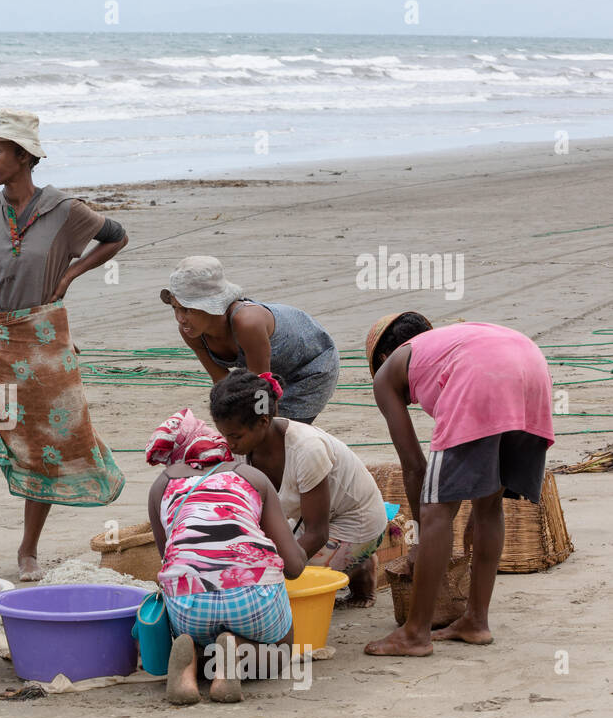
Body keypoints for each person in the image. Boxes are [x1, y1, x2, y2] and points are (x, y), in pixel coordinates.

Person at [0, 108, 129, 581]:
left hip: (45, 345)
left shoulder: (65, 211)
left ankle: (28, 551)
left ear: (24, 156)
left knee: (42, 448)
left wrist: (70, 274)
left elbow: (116, 237)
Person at [363, 312, 555, 656]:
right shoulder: (446, 343)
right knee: (489, 505)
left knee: (437, 508)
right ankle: (476, 621)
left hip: (480, 376)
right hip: (532, 367)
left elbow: (414, 467)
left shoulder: (386, 374)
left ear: (380, 358)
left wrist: (422, 535)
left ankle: (415, 634)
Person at [146, 409, 307, 706]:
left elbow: (168, 558)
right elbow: (295, 567)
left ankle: (192, 659)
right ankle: (235, 653)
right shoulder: (250, 476)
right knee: (282, 650)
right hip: (252, 597)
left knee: (196, 622)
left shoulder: (161, 486)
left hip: (189, 604)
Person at [210, 369, 391, 607]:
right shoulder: (242, 446)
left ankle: (361, 565)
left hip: (355, 521)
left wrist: (272, 571)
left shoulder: (307, 449)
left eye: (235, 437)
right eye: (225, 435)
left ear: (263, 421)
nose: (230, 444)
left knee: (285, 579)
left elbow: (318, 532)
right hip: (305, 518)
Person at [161, 256, 339, 424]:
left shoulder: (247, 324)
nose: (180, 318)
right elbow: (224, 383)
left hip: (311, 368)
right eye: (175, 308)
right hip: (271, 375)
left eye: (187, 309)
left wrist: (264, 430)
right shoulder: (190, 331)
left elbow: (261, 388)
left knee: (278, 434)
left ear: (209, 306)